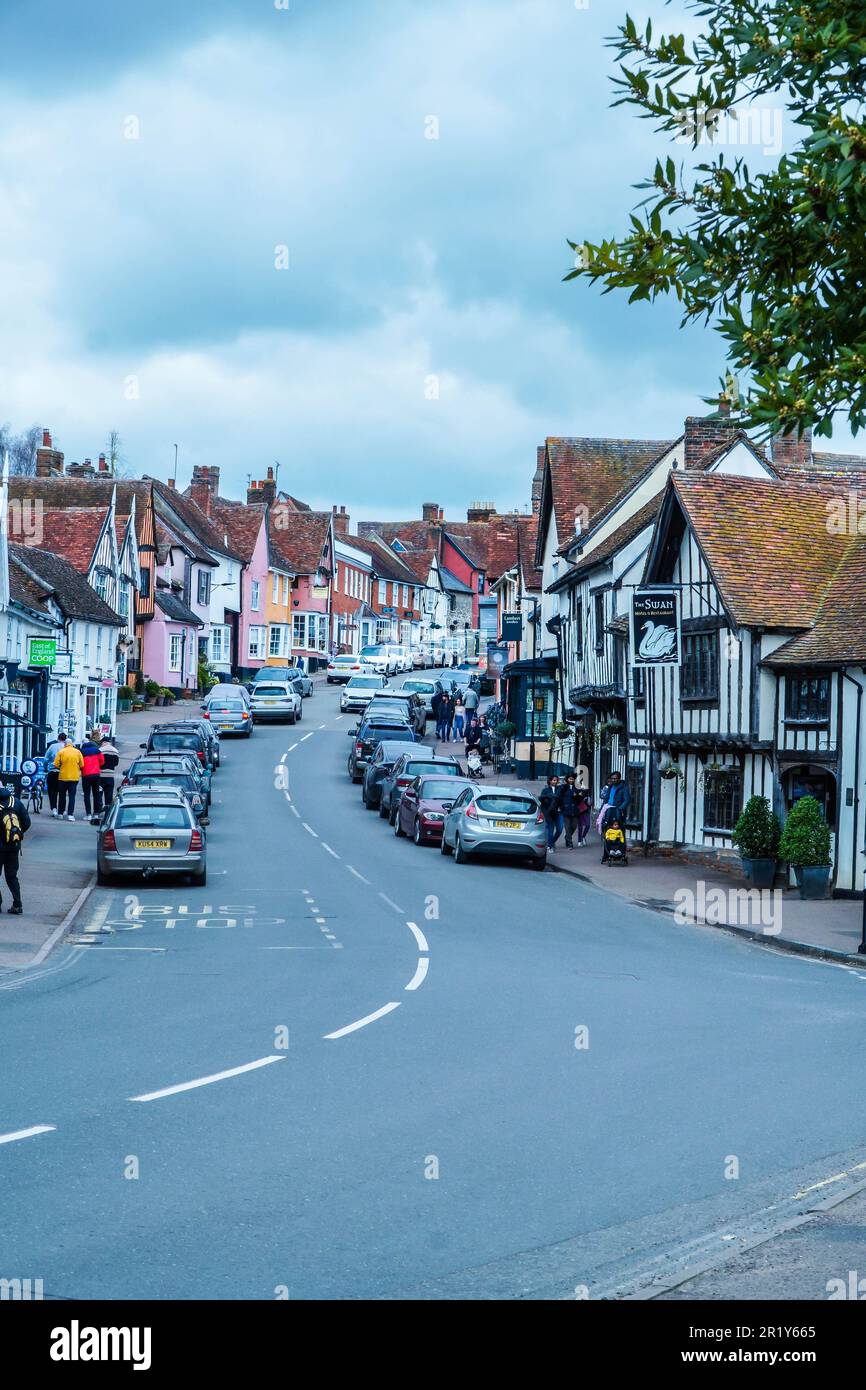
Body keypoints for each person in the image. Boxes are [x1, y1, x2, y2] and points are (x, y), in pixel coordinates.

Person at [0, 784, 31, 913]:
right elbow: (27, 822)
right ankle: (17, 904)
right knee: (12, 876)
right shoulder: (16, 802)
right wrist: (17, 836)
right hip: (14, 846)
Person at [54, 737, 84, 821]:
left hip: (63, 777)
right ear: (72, 744)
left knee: (62, 796)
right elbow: (82, 765)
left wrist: (61, 766)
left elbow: (56, 764)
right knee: (72, 797)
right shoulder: (77, 752)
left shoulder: (61, 751)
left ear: (65, 744)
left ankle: (60, 813)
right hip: (74, 778)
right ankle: (70, 814)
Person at [80, 732, 105, 823]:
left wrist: (82, 769)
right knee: (96, 794)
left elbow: (80, 763)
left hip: (86, 775)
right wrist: (98, 766)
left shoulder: (82, 752)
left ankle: (88, 814)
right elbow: (102, 761)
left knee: (87, 795)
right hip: (96, 774)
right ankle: (96, 813)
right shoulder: (97, 750)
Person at [558, 773, 585, 849]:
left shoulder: (577, 788)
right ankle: (569, 843)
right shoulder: (563, 787)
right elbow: (559, 797)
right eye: (570, 779)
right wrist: (561, 807)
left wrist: (578, 796)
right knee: (567, 827)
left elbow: (580, 799)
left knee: (574, 826)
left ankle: (567, 837)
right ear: (567, 779)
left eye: (573, 779)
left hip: (575, 810)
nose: (571, 780)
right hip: (566, 810)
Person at [44, 731, 66, 817]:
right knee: (62, 792)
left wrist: (46, 768)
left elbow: (46, 759)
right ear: (65, 739)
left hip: (52, 772)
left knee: (52, 791)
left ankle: (54, 809)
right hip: (63, 773)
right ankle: (62, 810)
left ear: (58, 738)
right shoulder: (66, 747)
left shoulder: (52, 746)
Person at [539, 775, 564, 850]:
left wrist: (562, 807)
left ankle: (551, 842)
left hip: (558, 812)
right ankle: (550, 847)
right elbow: (540, 798)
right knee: (551, 829)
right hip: (548, 812)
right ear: (550, 781)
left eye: (556, 780)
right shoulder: (545, 790)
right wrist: (548, 796)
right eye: (553, 780)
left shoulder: (559, 789)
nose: (555, 782)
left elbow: (562, 799)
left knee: (560, 829)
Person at [98, 733, 120, 812]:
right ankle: (108, 810)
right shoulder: (115, 751)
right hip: (110, 775)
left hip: (101, 775)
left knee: (99, 793)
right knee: (109, 794)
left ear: (103, 742)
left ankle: (99, 808)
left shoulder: (100, 750)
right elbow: (116, 763)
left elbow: (98, 761)